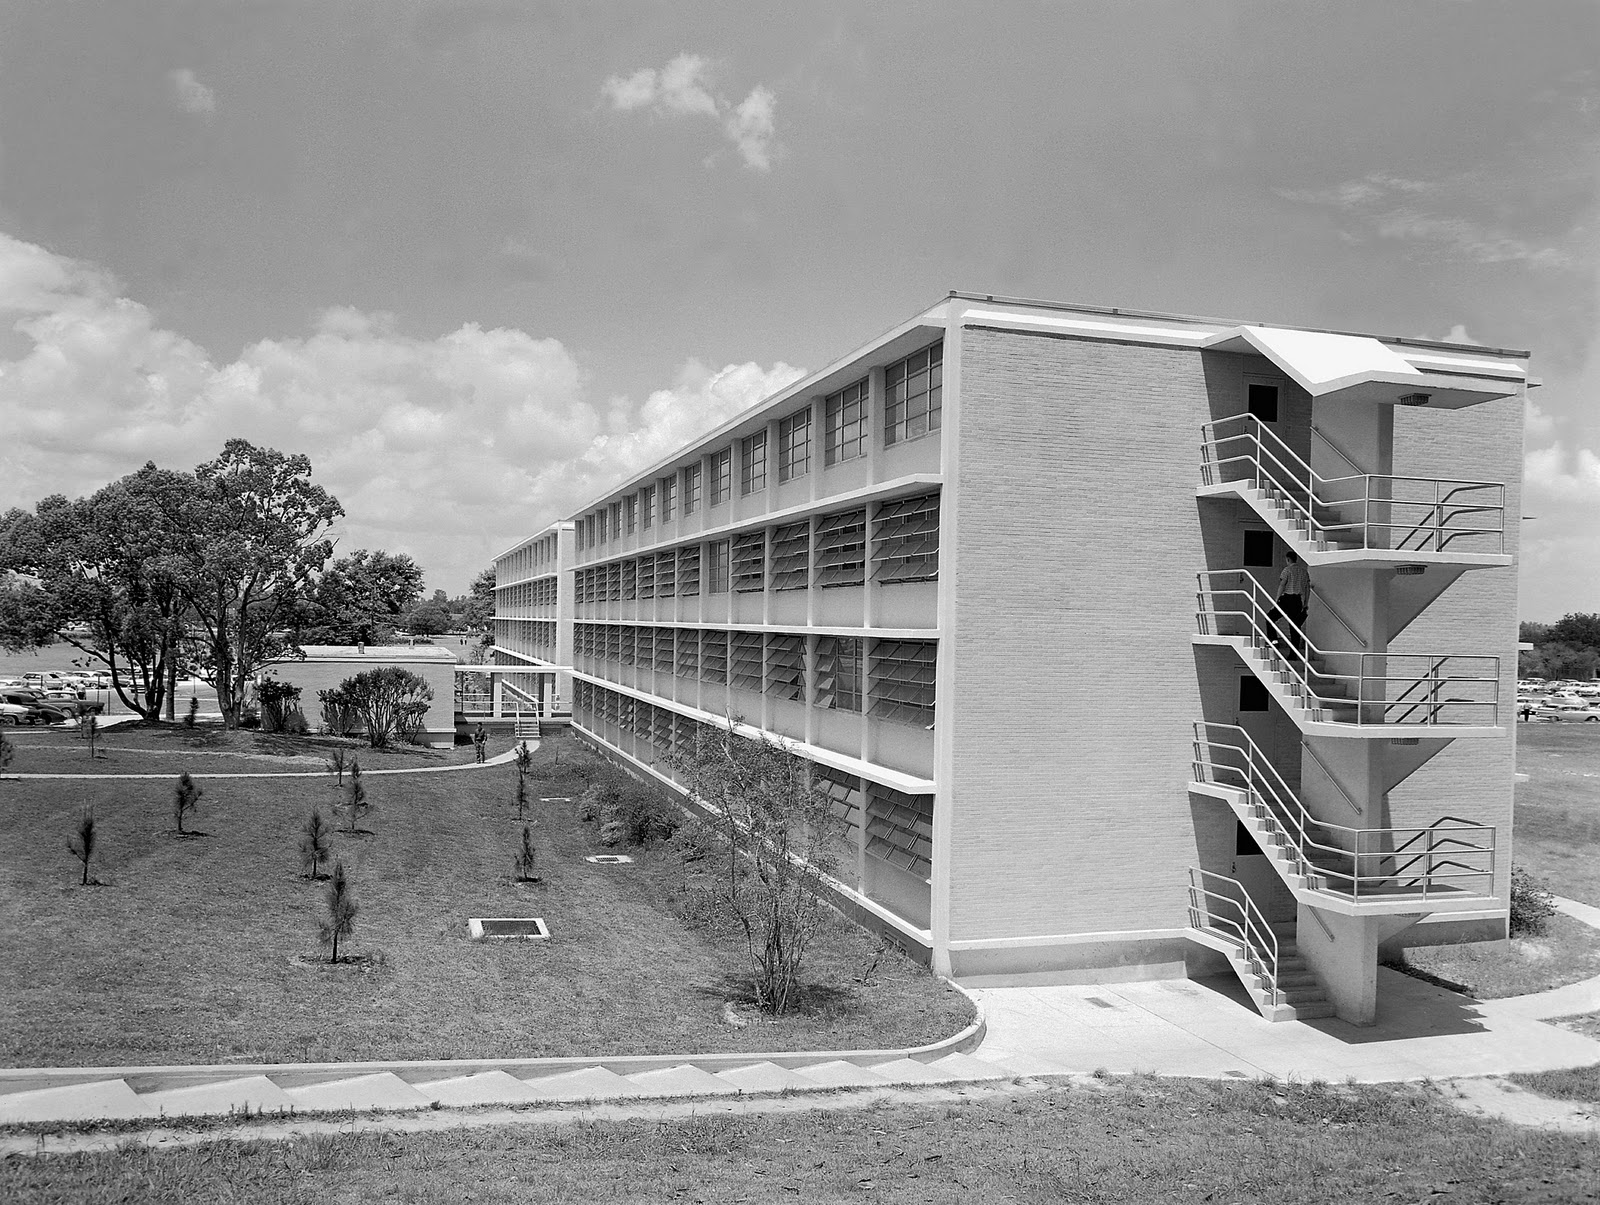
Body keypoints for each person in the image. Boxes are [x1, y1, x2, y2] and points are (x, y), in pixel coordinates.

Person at [1275, 550, 1310, 654]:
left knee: (1270, 617)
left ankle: (1274, 641)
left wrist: (1277, 599)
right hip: (1298, 600)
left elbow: (1282, 584)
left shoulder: (1287, 570)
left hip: (1287, 599)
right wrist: (1306, 603)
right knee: (1295, 627)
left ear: (1288, 559)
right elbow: (1307, 588)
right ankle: (1294, 653)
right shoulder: (1304, 572)